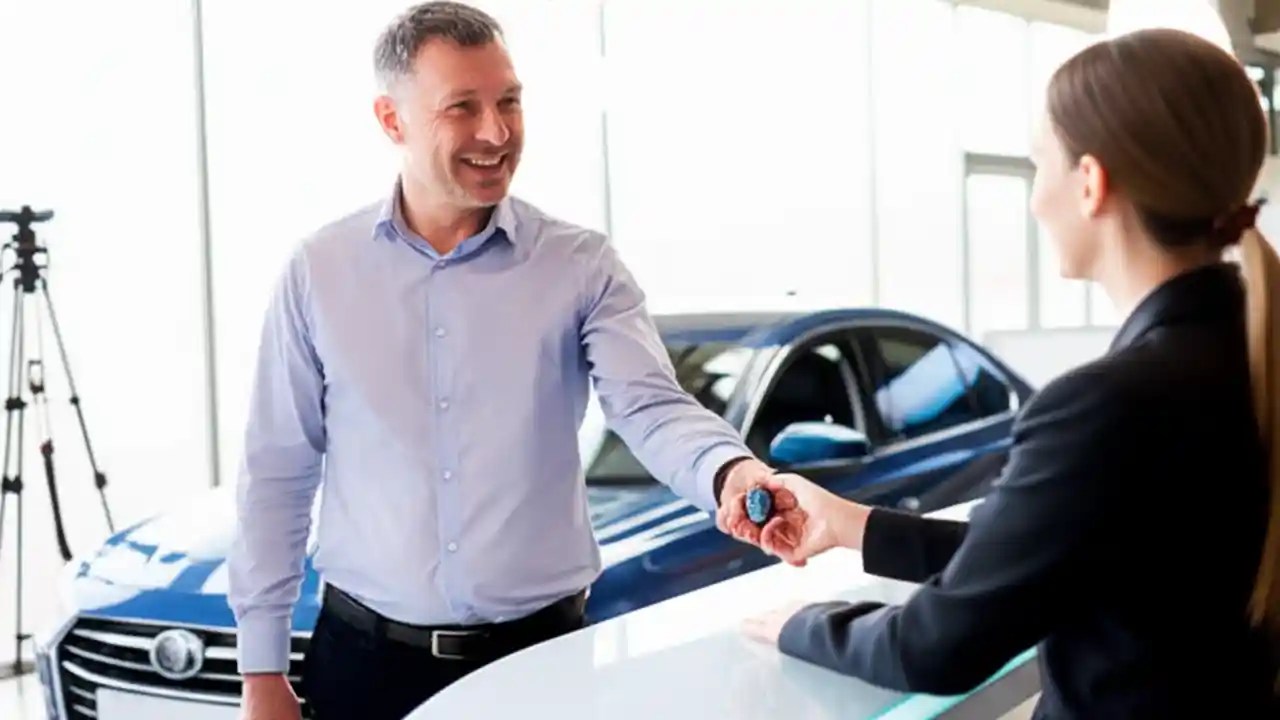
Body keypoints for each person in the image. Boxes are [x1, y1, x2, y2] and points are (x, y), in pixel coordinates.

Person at [227, 3, 776, 719]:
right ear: (392, 120)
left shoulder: (579, 266)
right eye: (462, 107)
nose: (496, 132)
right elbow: (277, 470)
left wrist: (731, 472)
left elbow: (650, 406)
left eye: (509, 102)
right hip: (364, 670)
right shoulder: (319, 273)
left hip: (541, 663)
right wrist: (260, 670)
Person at [723, 28, 1280, 719]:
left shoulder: (1110, 403)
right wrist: (856, 526)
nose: (1034, 198)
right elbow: (1050, 553)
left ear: (1089, 183)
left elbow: (934, 646)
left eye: (1039, 165)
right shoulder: (1244, 359)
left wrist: (801, 625)